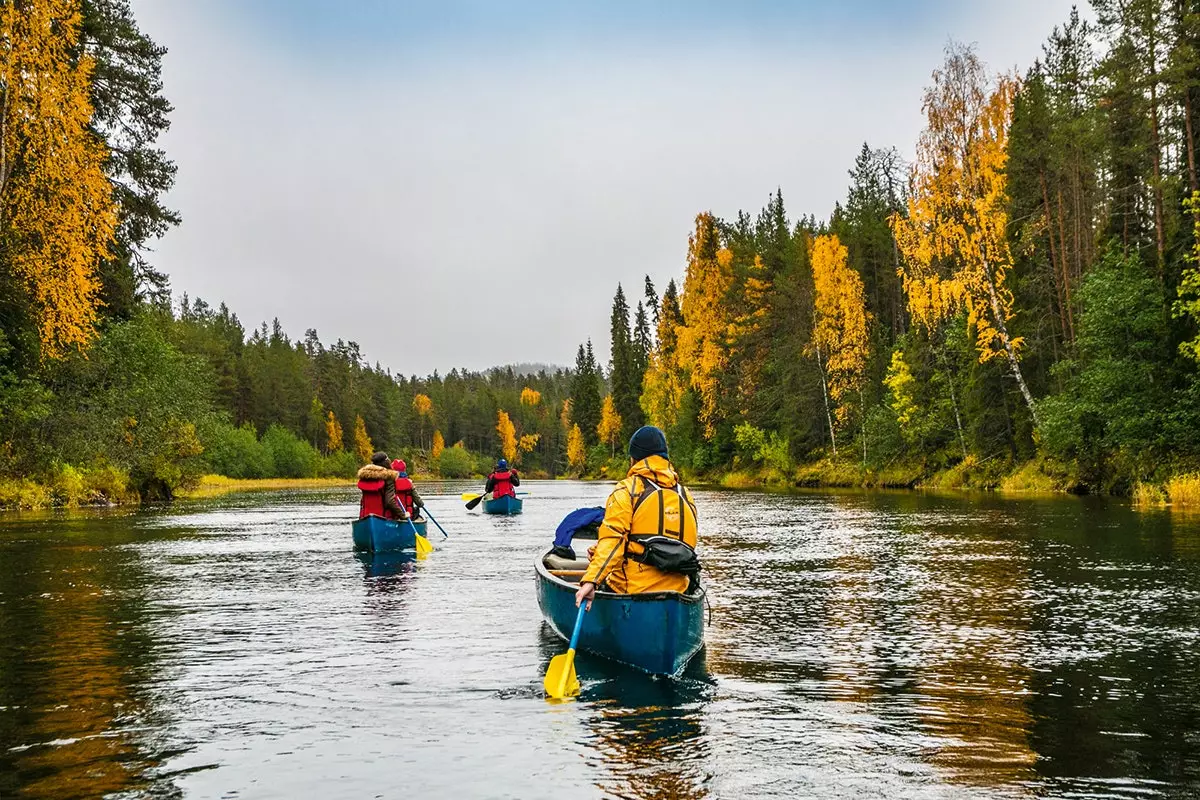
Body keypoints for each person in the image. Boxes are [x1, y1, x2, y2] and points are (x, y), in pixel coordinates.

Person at [575, 426, 700, 609]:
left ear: (634, 458)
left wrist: (591, 580)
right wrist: (599, 549)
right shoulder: (685, 495)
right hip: (679, 591)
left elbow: (613, 539)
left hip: (632, 592)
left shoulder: (628, 490)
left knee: (608, 581)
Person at [356, 451, 409, 521]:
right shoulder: (389, 477)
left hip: (365, 518)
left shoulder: (365, 477)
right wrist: (403, 515)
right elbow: (389, 502)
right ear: (386, 462)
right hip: (384, 519)